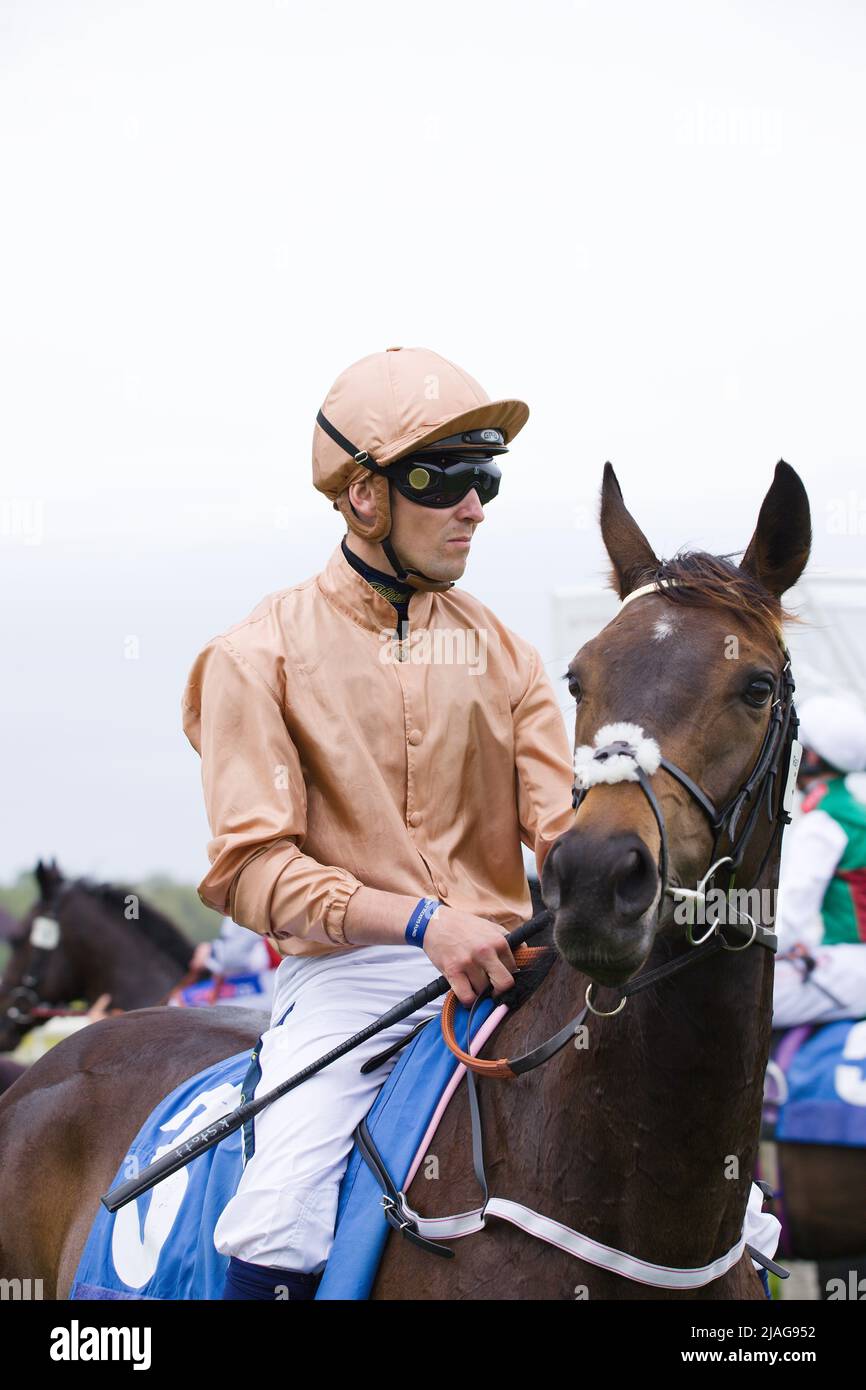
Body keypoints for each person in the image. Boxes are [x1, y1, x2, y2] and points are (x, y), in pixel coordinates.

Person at [181, 347, 577, 1300]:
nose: (476, 506)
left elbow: (559, 828)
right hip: (353, 978)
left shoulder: (512, 657)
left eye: (489, 479)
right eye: (449, 480)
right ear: (363, 495)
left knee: (726, 1197)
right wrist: (419, 921)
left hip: (514, 962)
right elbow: (249, 870)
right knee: (280, 1212)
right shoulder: (254, 655)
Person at [773, 693, 866, 1027]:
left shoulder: (824, 823)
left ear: (811, 757)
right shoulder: (851, 810)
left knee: (734, 996)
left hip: (853, 966)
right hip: (850, 956)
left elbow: (786, 926)